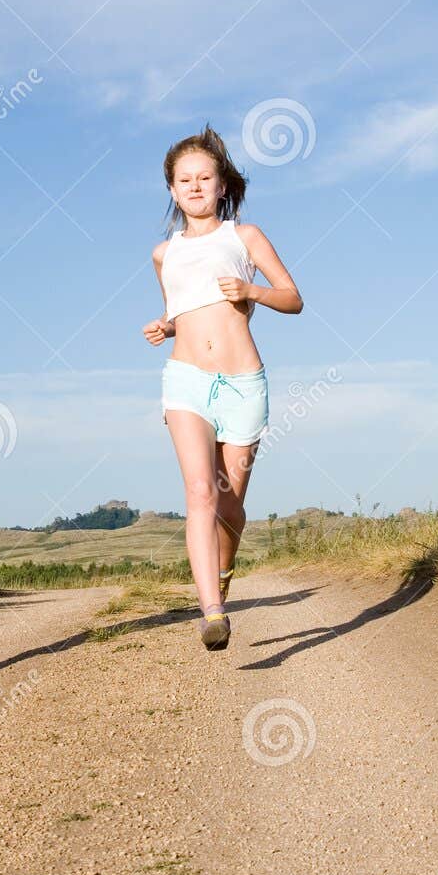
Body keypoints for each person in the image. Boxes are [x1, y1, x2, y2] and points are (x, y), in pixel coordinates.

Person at [142, 127, 302, 650]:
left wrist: (251, 288)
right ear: (171, 188)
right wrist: (165, 327)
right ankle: (212, 612)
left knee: (230, 506)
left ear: (221, 185)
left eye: (204, 177)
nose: (194, 186)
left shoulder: (245, 237)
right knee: (200, 493)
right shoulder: (164, 253)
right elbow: (182, 307)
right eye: (184, 179)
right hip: (185, 380)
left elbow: (292, 298)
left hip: (242, 383)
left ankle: (223, 576)